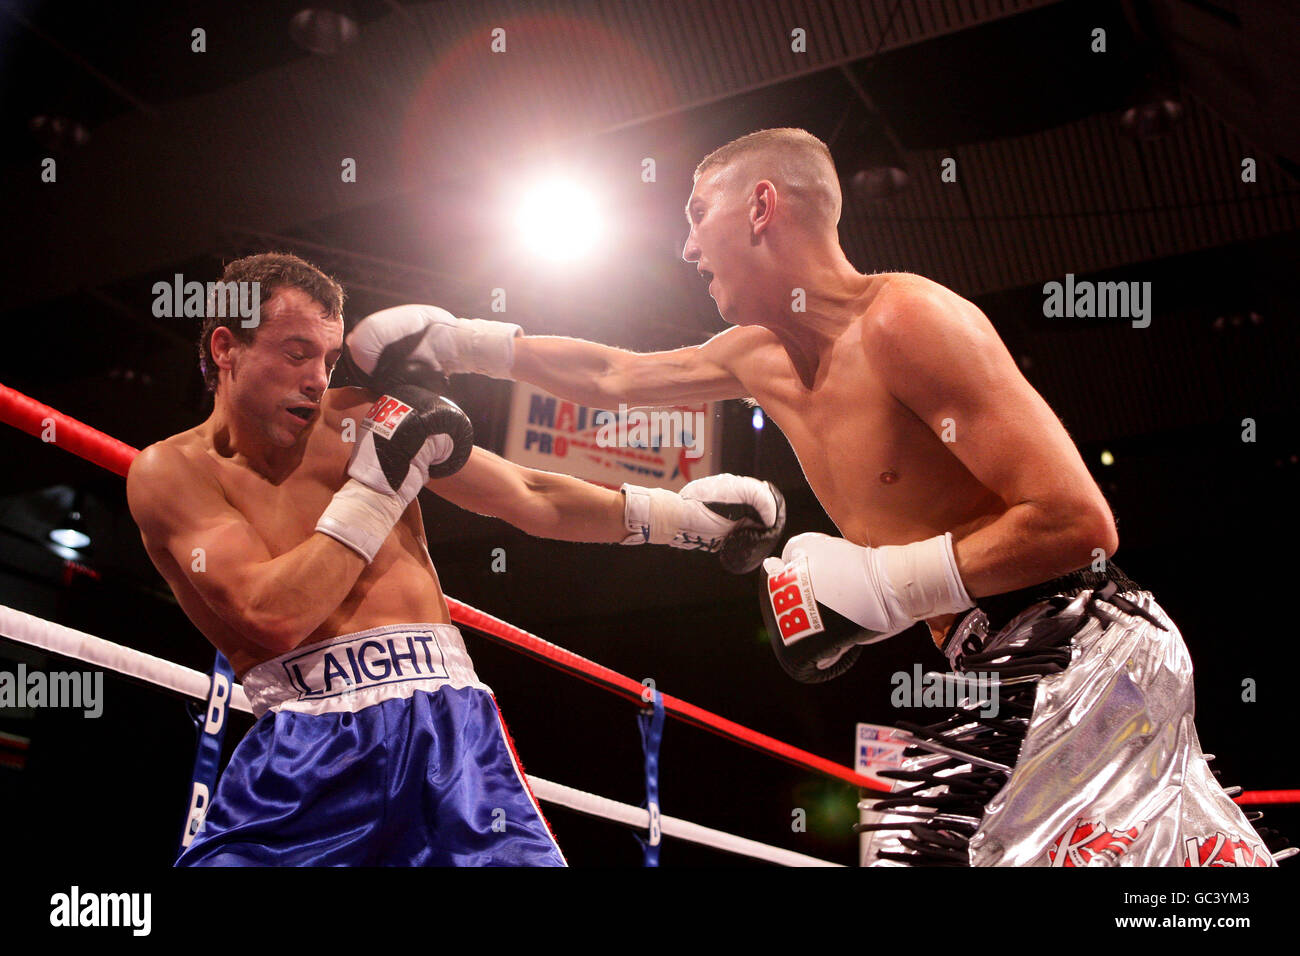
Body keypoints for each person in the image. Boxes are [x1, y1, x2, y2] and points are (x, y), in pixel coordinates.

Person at [361, 128, 1280, 866]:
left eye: (697, 212)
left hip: (1081, 645)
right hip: (1009, 664)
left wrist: (884, 586)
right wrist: (461, 340)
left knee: (934, 851)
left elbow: (1081, 526)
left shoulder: (906, 320)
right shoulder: (755, 356)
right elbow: (613, 373)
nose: (684, 245)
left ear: (762, 207)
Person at [126, 252, 783, 866]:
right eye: (297, 354)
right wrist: (380, 484)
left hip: (451, 731)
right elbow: (271, 614)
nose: (318, 379)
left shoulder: (360, 418)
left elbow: (527, 495)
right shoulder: (171, 474)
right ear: (226, 348)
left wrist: (685, 519)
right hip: (307, 751)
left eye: (328, 357)